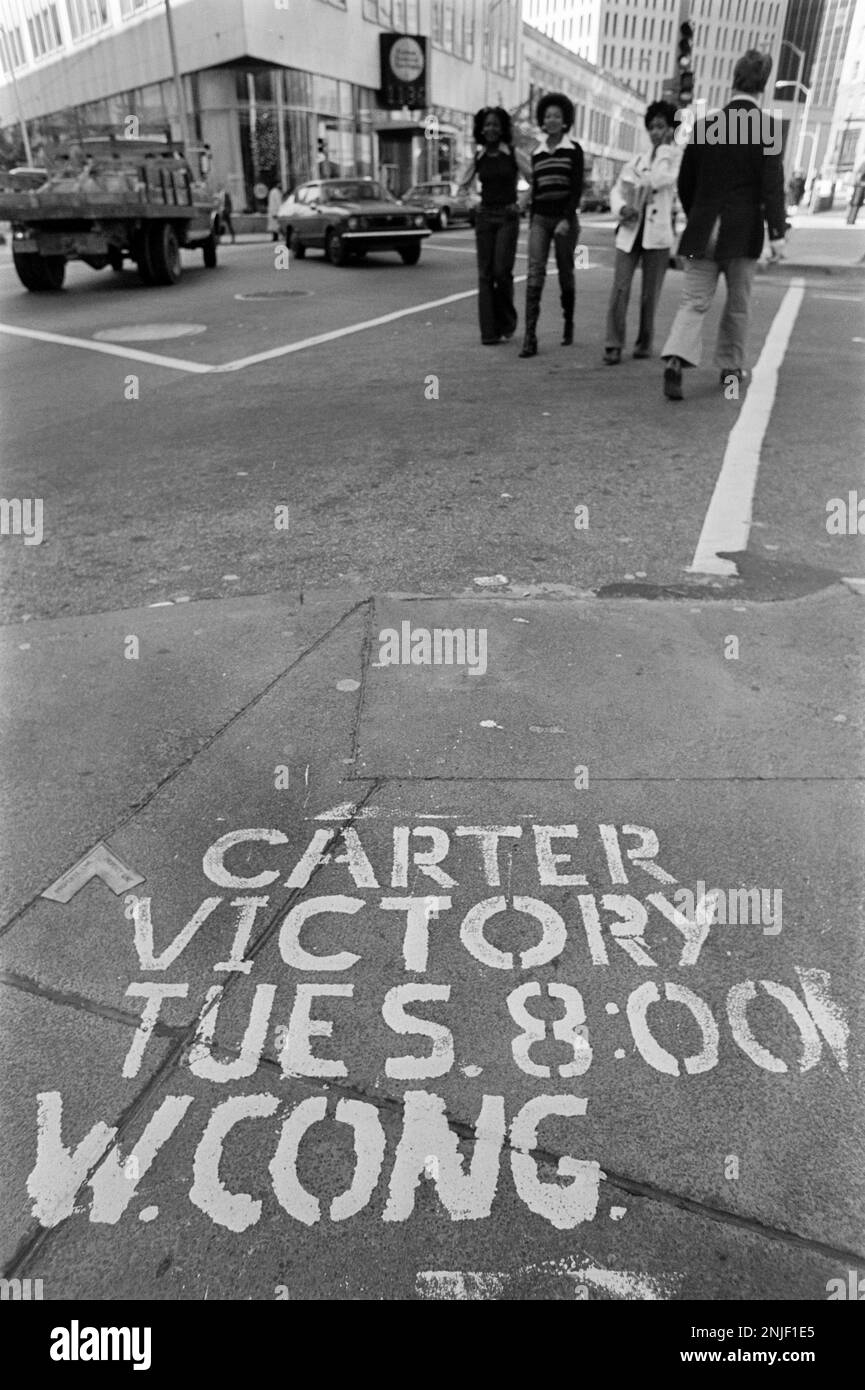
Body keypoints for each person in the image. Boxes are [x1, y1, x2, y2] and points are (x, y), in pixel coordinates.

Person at [660, 49, 787, 400]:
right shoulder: (766, 128)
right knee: (738, 303)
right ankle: (730, 372)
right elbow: (772, 185)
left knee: (694, 300)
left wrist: (698, 214)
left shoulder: (705, 125)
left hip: (704, 227)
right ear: (762, 85)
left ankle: (675, 358)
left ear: (734, 80)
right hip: (742, 231)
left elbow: (686, 181)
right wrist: (777, 234)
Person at [603, 99, 681, 365]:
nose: (655, 132)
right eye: (652, 127)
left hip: (657, 235)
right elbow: (618, 188)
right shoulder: (636, 160)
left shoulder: (674, 158)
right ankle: (613, 344)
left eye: (661, 126)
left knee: (650, 294)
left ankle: (644, 342)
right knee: (620, 288)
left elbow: (660, 180)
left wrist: (664, 151)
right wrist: (622, 207)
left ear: (671, 129)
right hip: (630, 231)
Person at [519, 92, 585, 358]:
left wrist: (567, 219)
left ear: (565, 120)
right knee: (535, 272)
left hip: (564, 221)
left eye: (557, 115)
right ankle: (529, 336)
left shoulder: (574, 150)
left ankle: (568, 323)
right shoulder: (537, 152)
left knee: (566, 273)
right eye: (548, 116)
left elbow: (576, 188)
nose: (553, 120)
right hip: (540, 219)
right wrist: (530, 215)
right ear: (543, 121)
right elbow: (537, 189)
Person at [457, 107, 523, 345]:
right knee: (485, 275)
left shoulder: (513, 154)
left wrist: (521, 204)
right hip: (484, 218)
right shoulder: (478, 157)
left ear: (502, 128)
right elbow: (462, 186)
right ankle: (489, 332)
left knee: (501, 272)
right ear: (480, 129)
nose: (491, 129)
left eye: (495, 124)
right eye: (487, 125)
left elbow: (535, 180)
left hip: (507, 217)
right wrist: (472, 204)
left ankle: (507, 321)